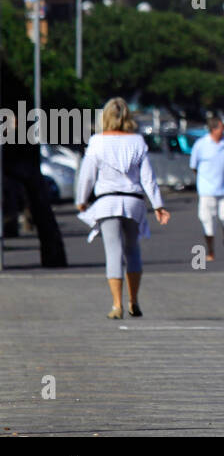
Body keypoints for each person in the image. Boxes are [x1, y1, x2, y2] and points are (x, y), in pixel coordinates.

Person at [75, 98, 171, 319]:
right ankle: (134, 301)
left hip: (107, 202)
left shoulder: (97, 141)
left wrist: (81, 200)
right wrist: (158, 205)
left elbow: (87, 175)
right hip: (133, 202)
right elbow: (148, 178)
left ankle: (117, 305)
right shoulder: (137, 141)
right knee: (133, 251)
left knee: (113, 251)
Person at [189, 116, 224, 261]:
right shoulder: (201, 144)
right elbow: (194, 166)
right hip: (207, 190)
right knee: (208, 220)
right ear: (214, 129)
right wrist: (202, 182)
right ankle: (210, 251)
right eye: (221, 127)